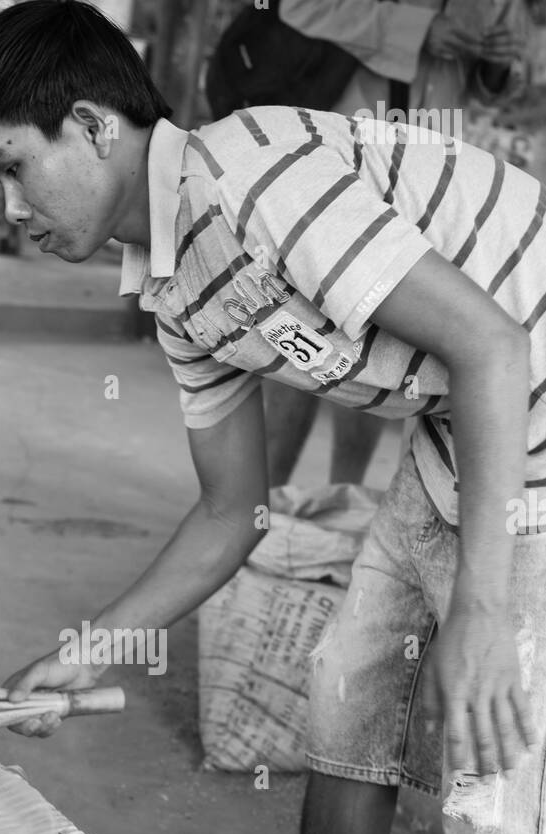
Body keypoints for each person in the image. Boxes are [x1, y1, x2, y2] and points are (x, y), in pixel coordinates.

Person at [0, 0, 546, 834]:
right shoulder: (173, 284)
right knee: (343, 705)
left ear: (89, 124)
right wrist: (88, 649)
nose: (7, 210)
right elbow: (230, 509)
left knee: (494, 780)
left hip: (522, 400)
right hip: (455, 432)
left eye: (12, 169)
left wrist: (481, 612)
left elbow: (486, 344)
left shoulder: (250, 178)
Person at [230, 0, 528, 486]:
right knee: (304, 333)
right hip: (342, 158)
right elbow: (297, 7)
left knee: (384, 351)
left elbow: (498, 82)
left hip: (424, 172)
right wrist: (418, 30)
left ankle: (341, 508)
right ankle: (260, 519)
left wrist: (496, 65)